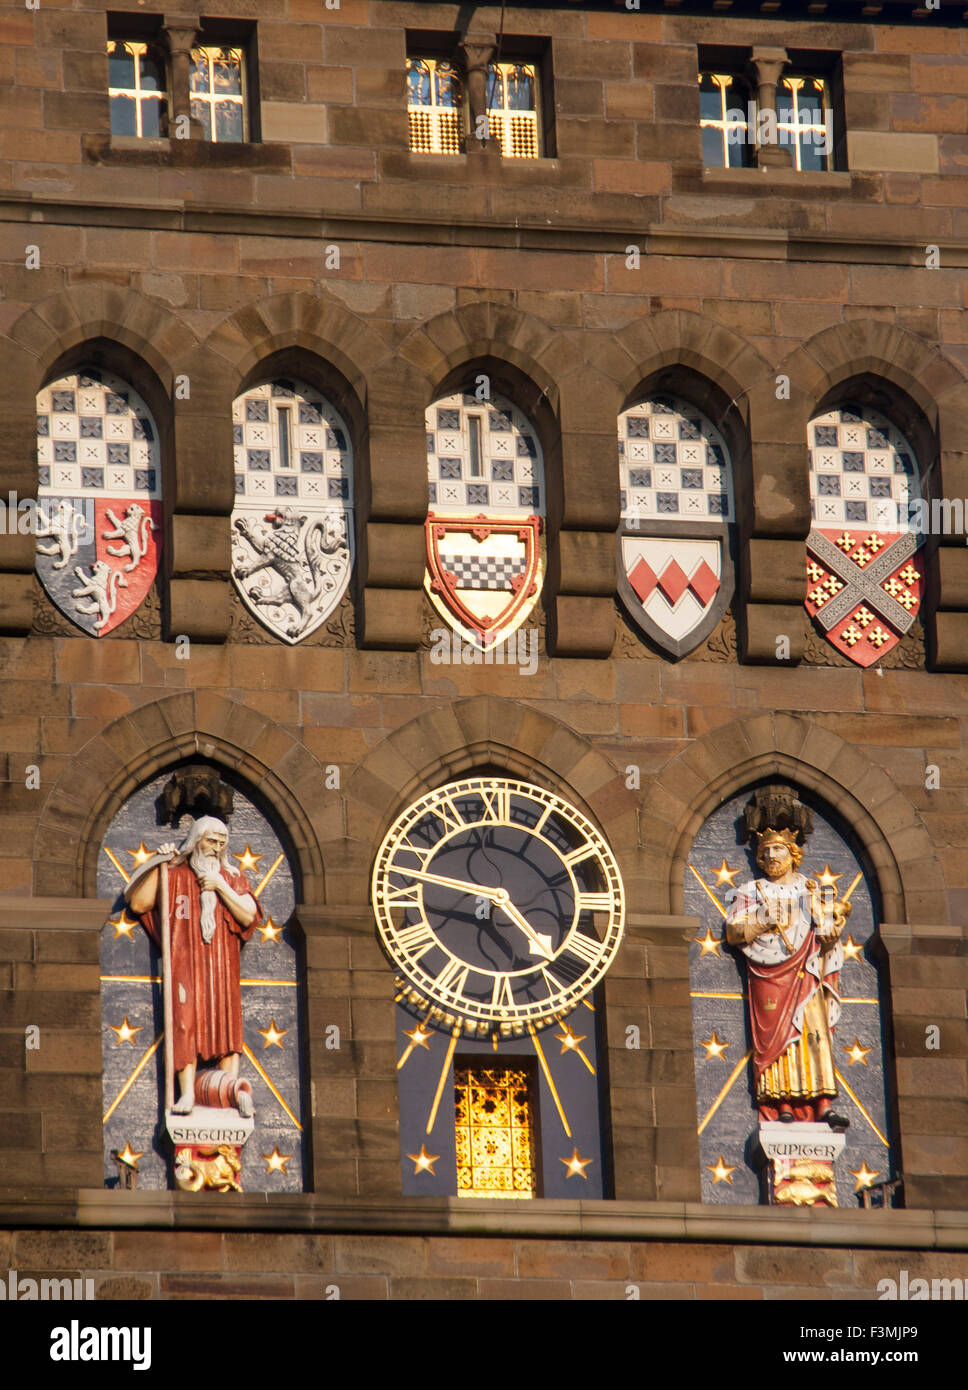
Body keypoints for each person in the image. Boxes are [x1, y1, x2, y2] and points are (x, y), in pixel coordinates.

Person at [125, 816, 262, 1116]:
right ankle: (187, 1092)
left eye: (222, 843)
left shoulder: (233, 876)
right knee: (183, 1022)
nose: (216, 848)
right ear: (196, 839)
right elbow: (138, 903)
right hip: (186, 960)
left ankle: (229, 1090)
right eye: (211, 841)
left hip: (222, 965)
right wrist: (159, 863)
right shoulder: (174, 875)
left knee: (227, 1025)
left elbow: (249, 915)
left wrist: (221, 887)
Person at [725, 827, 850, 1127]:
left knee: (813, 1035)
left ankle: (822, 1103)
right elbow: (733, 932)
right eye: (765, 852)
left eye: (778, 850)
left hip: (806, 973)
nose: (770, 856)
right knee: (775, 1038)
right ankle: (780, 1099)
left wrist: (830, 935)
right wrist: (763, 921)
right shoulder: (750, 892)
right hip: (769, 975)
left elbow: (825, 937)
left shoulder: (810, 891)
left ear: (793, 855)